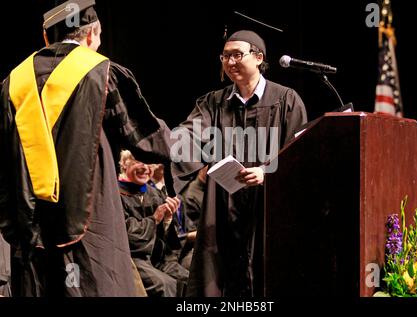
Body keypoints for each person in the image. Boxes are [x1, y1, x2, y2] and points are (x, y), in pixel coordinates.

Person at [0, 0, 172, 296]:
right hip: (89, 221)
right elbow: (146, 141)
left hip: (29, 224)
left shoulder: (12, 82)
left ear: (46, 37)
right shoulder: (102, 73)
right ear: (91, 36)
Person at [172, 30, 308, 296]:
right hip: (223, 208)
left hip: (267, 209)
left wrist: (268, 173)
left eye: (237, 55)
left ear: (259, 58)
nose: (230, 62)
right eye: (225, 56)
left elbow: (300, 154)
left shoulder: (286, 100)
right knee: (221, 280)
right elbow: (189, 135)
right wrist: (163, 140)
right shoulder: (213, 102)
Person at [118, 151, 189, 297]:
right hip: (131, 259)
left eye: (149, 163)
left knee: (191, 281)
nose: (145, 168)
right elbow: (125, 234)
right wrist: (155, 219)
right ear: (124, 164)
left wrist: (168, 218)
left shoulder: (154, 194)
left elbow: (167, 242)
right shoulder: (114, 194)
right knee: (166, 286)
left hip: (158, 256)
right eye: (138, 161)